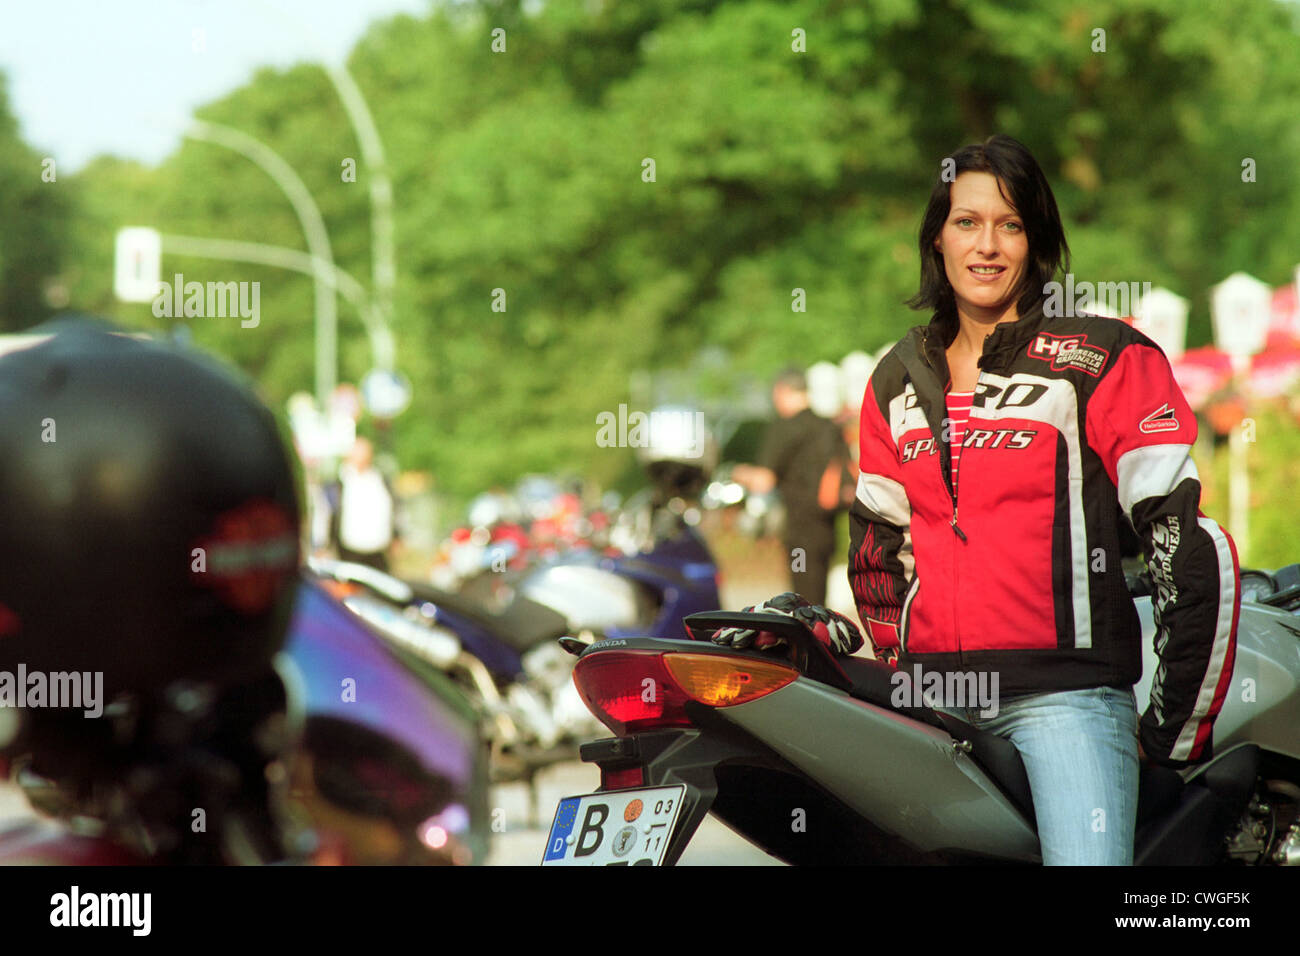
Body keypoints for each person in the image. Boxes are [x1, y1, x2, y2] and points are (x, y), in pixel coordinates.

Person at [845, 135, 1239, 864]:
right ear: (938, 236)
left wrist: (1170, 732)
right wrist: (902, 676)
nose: (987, 245)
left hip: (1068, 705)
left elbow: (1186, 546)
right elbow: (876, 552)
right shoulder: (895, 379)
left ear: (1037, 239)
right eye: (967, 222)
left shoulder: (1103, 357)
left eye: (1011, 224)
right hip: (933, 710)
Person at [734, 369, 850, 606]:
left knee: (802, 600)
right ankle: (822, 640)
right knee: (820, 600)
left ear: (781, 392)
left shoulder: (783, 429)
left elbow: (764, 480)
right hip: (827, 531)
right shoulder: (828, 426)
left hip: (800, 535)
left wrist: (739, 473)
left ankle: (808, 642)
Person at [334, 436, 396, 572]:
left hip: (378, 552)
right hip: (349, 552)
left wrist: (396, 536)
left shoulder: (380, 479)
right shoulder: (340, 482)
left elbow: (394, 509)